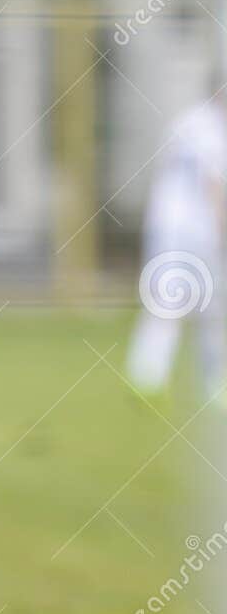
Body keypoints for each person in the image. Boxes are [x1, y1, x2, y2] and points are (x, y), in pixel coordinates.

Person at [126, 98, 227, 407]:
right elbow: (215, 187)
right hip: (201, 231)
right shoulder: (215, 131)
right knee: (214, 310)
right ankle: (215, 384)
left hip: (164, 226)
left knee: (163, 305)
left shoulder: (186, 120)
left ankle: (146, 377)